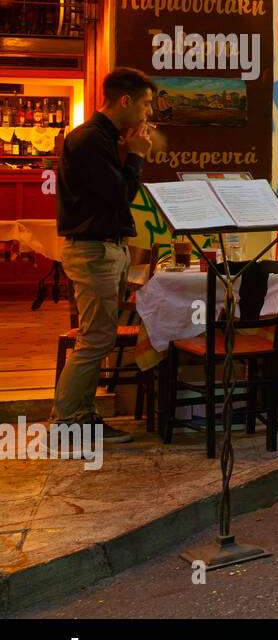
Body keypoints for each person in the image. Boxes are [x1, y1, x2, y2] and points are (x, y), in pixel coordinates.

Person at [51, 67, 156, 443]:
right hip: (93, 250)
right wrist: (137, 157)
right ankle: (67, 423)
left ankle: (83, 416)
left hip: (104, 249)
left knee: (99, 337)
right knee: (96, 340)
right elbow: (119, 194)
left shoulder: (104, 138)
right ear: (125, 101)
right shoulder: (90, 140)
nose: (147, 114)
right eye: (145, 104)